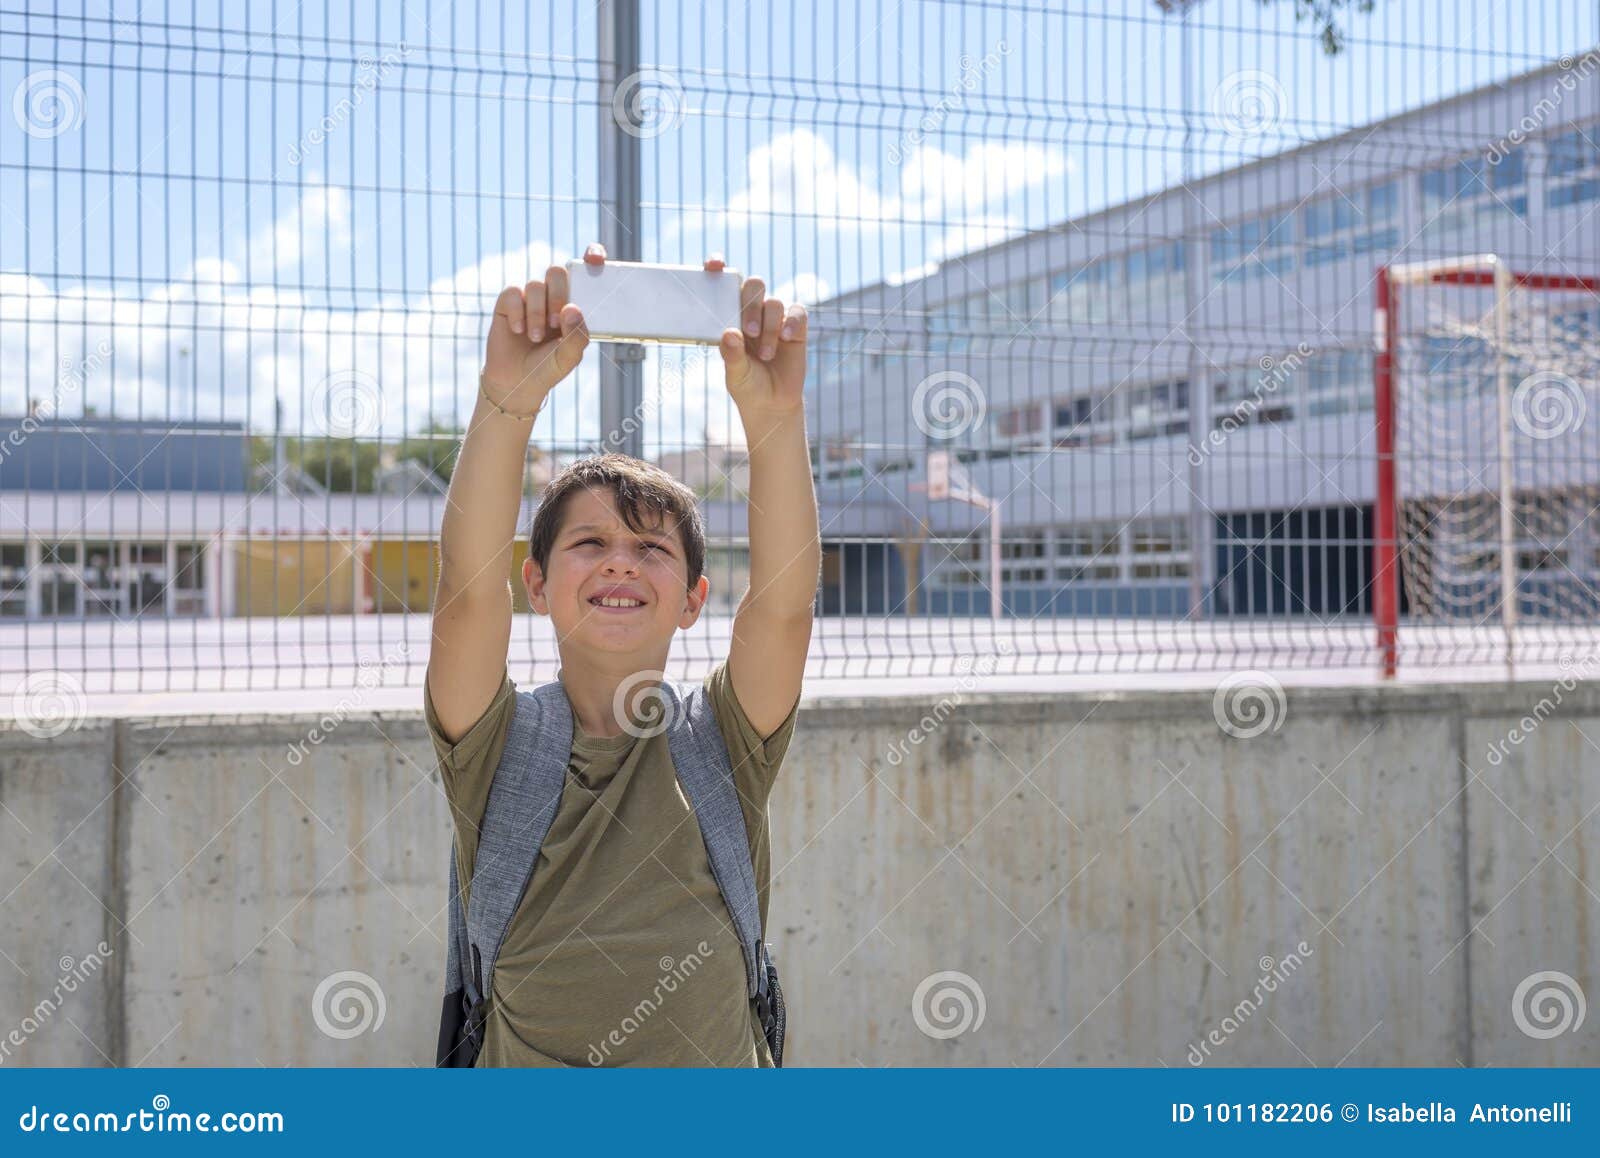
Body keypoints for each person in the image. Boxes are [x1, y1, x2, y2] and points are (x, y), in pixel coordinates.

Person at [425, 242, 819, 1066]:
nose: (618, 561)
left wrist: (775, 424)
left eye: (651, 549)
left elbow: (782, 609)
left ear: (693, 601)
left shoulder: (724, 741)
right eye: (591, 541)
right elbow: (465, 596)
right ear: (534, 584)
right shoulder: (496, 746)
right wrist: (506, 404)